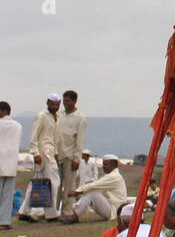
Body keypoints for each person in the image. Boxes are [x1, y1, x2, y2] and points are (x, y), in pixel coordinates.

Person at [16, 94, 61, 223]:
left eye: (57, 104)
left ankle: (24, 211)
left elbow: (54, 138)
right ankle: (51, 214)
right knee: (53, 182)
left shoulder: (56, 118)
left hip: (50, 153)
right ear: (47, 103)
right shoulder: (42, 116)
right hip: (43, 154)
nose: (55, 106)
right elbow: (34, 136)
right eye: (52, 104)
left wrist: (56, 152)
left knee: (37, 183)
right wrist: (35, 153)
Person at [51, 90, 88, 223]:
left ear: (74, 101)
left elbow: (80, 140)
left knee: (69, 186)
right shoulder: (58, 115)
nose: (66, 104)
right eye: (64, 101)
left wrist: (77, 158)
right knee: (56, 184)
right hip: (57, 154)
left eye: (68, 101)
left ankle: (66, 211)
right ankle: (53, 211)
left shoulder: (80, 118)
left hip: (70, 156)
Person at [69, 154, 128, 222]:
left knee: (92, 192)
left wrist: (77, 191)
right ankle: (75, 213)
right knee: (91, 191)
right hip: (113, 208)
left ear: (113, 165)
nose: (104, 167)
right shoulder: (112, 175)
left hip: (114, 211)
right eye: (103, 164)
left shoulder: (114, 176)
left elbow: (95, 185)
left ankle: (74, 216)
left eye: (106, 164)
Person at [0, 102, 20, 229]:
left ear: (2, 111)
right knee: (8, 195)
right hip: (11, 164)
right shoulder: (18, 126)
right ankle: (5, 222)